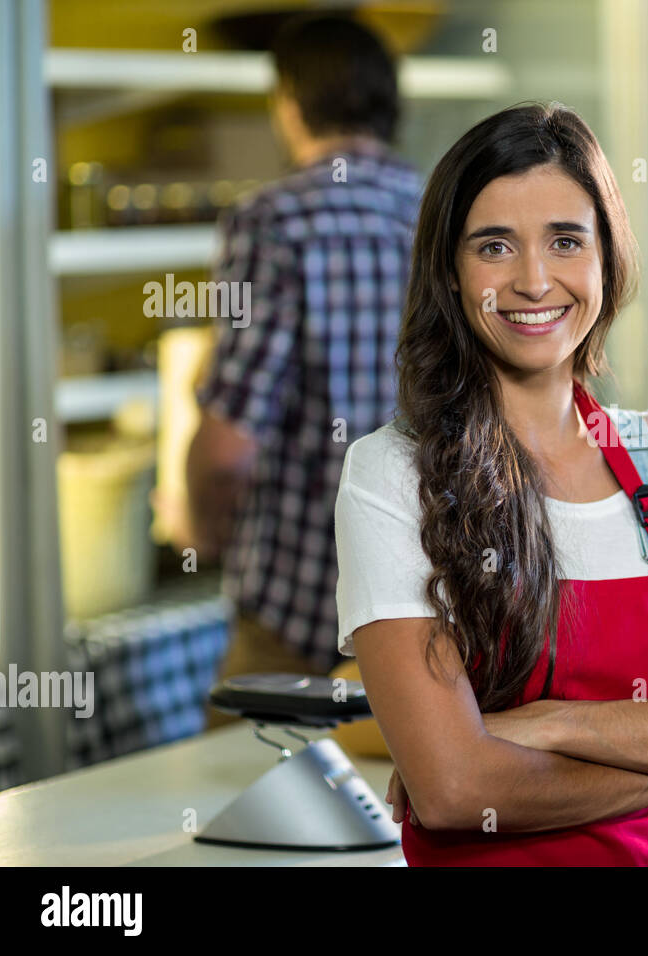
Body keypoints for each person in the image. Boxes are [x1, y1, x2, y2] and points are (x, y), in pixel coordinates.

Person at [334, 102, 648, 866]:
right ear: (450, 277)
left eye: (565, 241)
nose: (533, 279)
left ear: (607, 259)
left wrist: (553, 723)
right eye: (494, 246)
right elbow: (455, 789)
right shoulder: (392, 475)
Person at [188, 15, 422, 731]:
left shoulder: (274, 220)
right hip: (421, 603)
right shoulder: (445, 212)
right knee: (394, 821)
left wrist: (201, 533)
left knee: (242, 814)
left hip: (296, 607)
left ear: (290, 102)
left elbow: (229, 448)